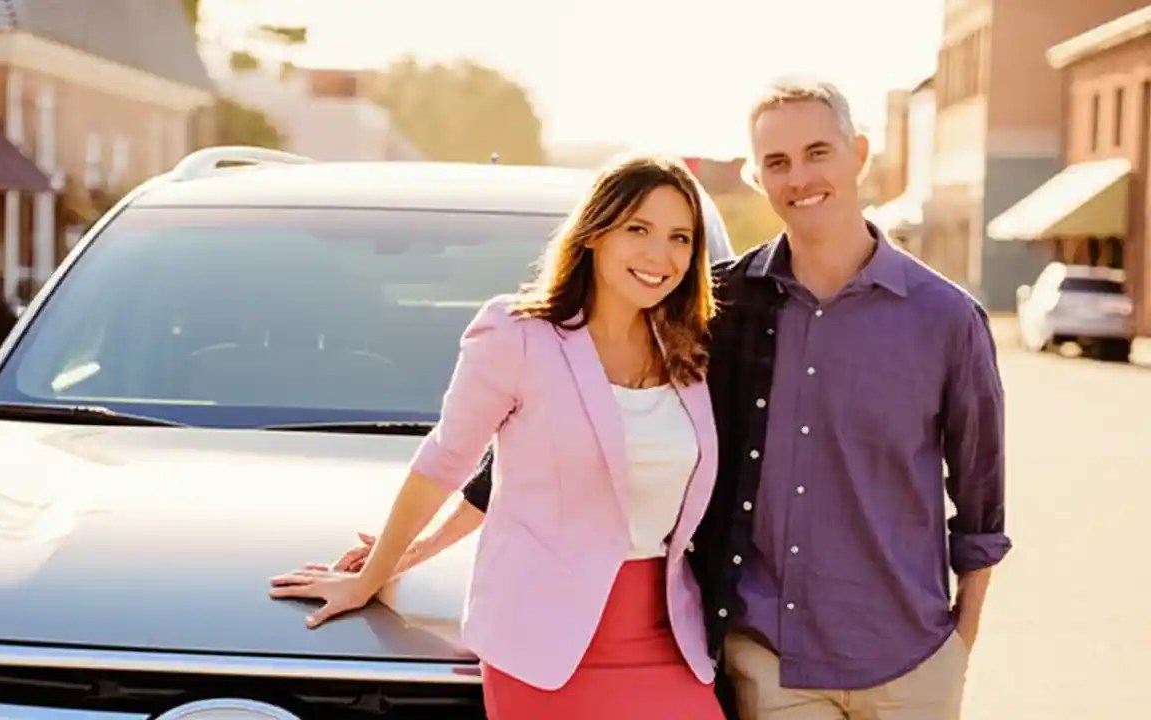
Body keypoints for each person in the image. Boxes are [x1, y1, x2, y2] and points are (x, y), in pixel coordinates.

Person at [334, 78, 1012, 720]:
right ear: (757, 178)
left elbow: (982, 502)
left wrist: (961, 645)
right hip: (762, 657)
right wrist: (396, 559)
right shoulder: (726, 310)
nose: (799, 177)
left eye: (817, 153)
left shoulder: (940, 319)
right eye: (777, 161)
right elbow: (514, 455)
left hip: (891, 655)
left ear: (859, 154)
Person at [269, 155, 728, 720]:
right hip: (539, 640)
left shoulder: (691, 353)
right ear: (594, 234)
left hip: (663, 634)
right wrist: (377, 572)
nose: (660, 255)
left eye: (680, 237)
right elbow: (450, 463)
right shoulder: (519, 336)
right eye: (638, 229)